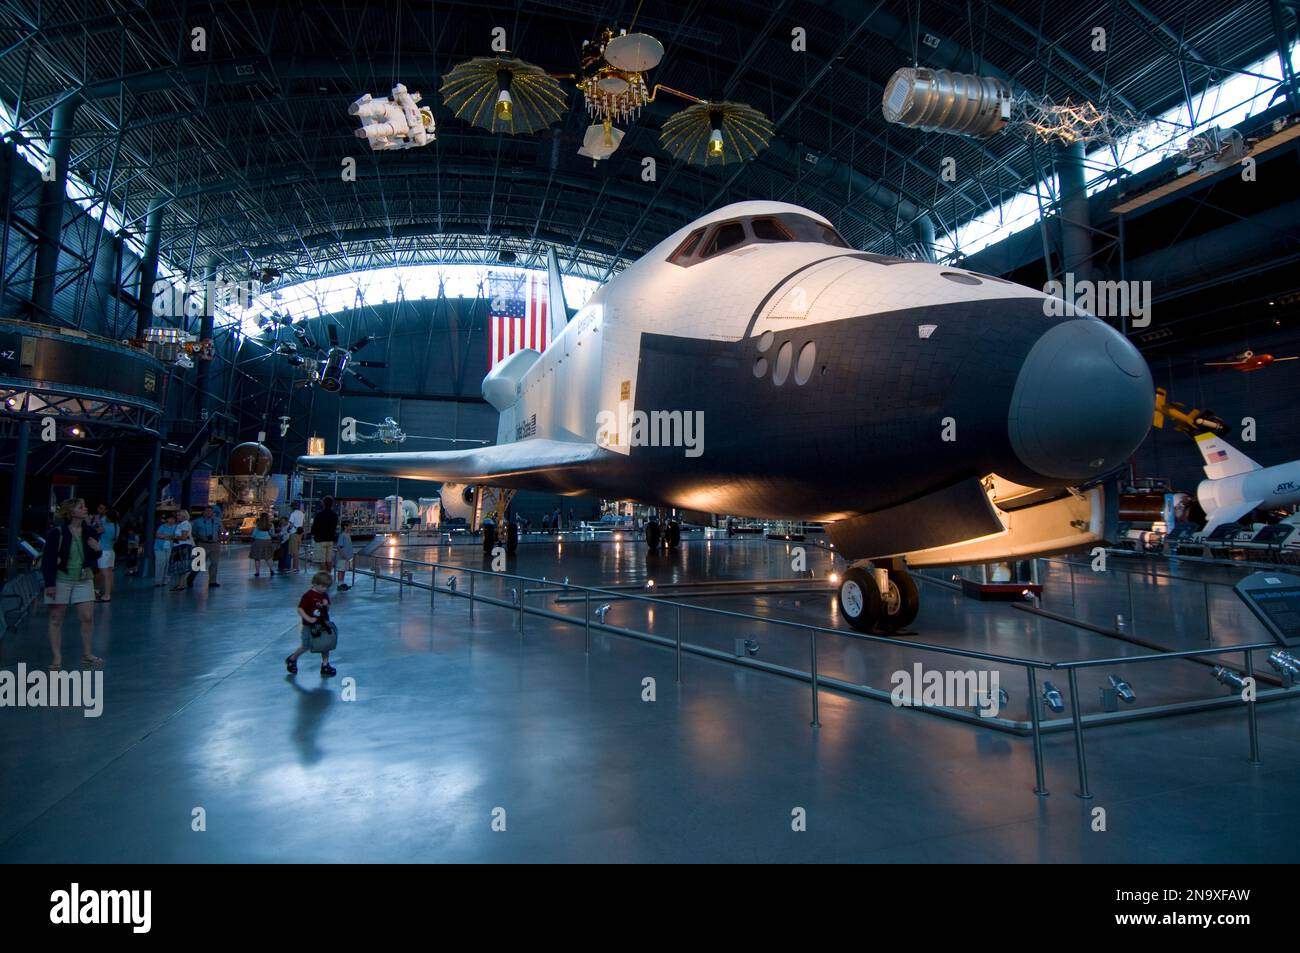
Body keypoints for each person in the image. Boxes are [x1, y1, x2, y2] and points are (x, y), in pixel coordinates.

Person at [42, 498, 104, 670]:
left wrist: (98, 551)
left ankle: (87, 654)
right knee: (56, 618)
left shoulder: (90, 531)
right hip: (61, 579)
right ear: (71, 512)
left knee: (87, 617)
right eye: (81, 507)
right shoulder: (57, 533)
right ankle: (57, 657)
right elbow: (48, 559)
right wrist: (50, 584)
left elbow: (92, 557)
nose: (85, 509)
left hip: (84, 579)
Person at [285, 571, 337, 677]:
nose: (324, 589)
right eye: (322, 586)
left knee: (325, 645)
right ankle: (292, 658)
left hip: (322, 623)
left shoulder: (324, 595)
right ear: (315, 584)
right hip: (309, 626)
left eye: (326, 587)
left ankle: (325, 664)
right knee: (306, 645)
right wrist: (308, 618)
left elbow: (327, 609)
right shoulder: (308, 595)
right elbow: (300, 609)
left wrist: (326, 605)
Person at [187, 505, 222, 589]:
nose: (209, 513)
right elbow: (193, 532)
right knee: (199, 564)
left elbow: (221, 530)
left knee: (214, 563)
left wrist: (220, 537)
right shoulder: (197, 522)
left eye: (211, 511)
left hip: (215, 544)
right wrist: (200, 536)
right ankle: (190, 578)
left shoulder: (217, 521)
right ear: (203, 512)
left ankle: (212, 581)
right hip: (202, 544)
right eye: (207, 511)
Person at [94, 508, 120, 602]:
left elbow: (95, 531)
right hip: (111, 552)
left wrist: (95, 522)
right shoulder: (116, 526)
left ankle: (105, 594)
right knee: (108, 574)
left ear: (108, 517)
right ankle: (105, 593)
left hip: (103, 552)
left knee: (104, 574)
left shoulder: (105, 526)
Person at [311, 496, 339, 572]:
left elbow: (314, 527)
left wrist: (313, 533)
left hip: (320, 539)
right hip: (330, 539)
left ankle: (323, 577)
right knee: (329, 559)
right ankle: (329, 575)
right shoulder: (334, 515)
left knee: (322, 560)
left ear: (323, 504)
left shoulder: (319, 514)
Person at [168, 509, 193, 591]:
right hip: (179, 546)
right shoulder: (180, 524)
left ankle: (181, 584)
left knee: (182, 566)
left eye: (179, 515)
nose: (177, 516)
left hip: (183, 546)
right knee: (180, 566)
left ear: (183, 516)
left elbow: (184, 537)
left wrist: (173, 537)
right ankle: (180, 584)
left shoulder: (185, 524)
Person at [154, 513, 176, 587]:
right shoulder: (162, 526)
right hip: (159, 547)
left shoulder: (175, 527)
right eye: (170, 518)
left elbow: (176, 536)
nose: (172, 520)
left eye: (173, 519)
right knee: (160, 563)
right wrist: (168, 536)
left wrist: (165, 536)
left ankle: (164, 580)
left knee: (166, 563)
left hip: (169, 547)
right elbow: (158, 535)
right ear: (167, 519)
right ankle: (157, 581)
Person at [335, 520, 354, 591]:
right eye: (349, 526)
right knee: (341, 570)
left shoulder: (347, 535)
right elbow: (339, 546)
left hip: (346, 557)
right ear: (345, 526)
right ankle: (339, 584)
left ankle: (342, 583)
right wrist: (343, 555)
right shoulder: (342, 535)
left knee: (343, 570)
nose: (350, 527)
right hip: (342, 557)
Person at [287, 501, 305, 572]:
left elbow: (291, 524)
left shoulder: (293, 514)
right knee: (297, 549)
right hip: (300, 533)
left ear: (292, 507)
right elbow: (303, 523)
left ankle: (295, 567)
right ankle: (296, 567)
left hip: (294, 533)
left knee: (294, 552)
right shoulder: (301, 513)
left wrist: (288, 530)